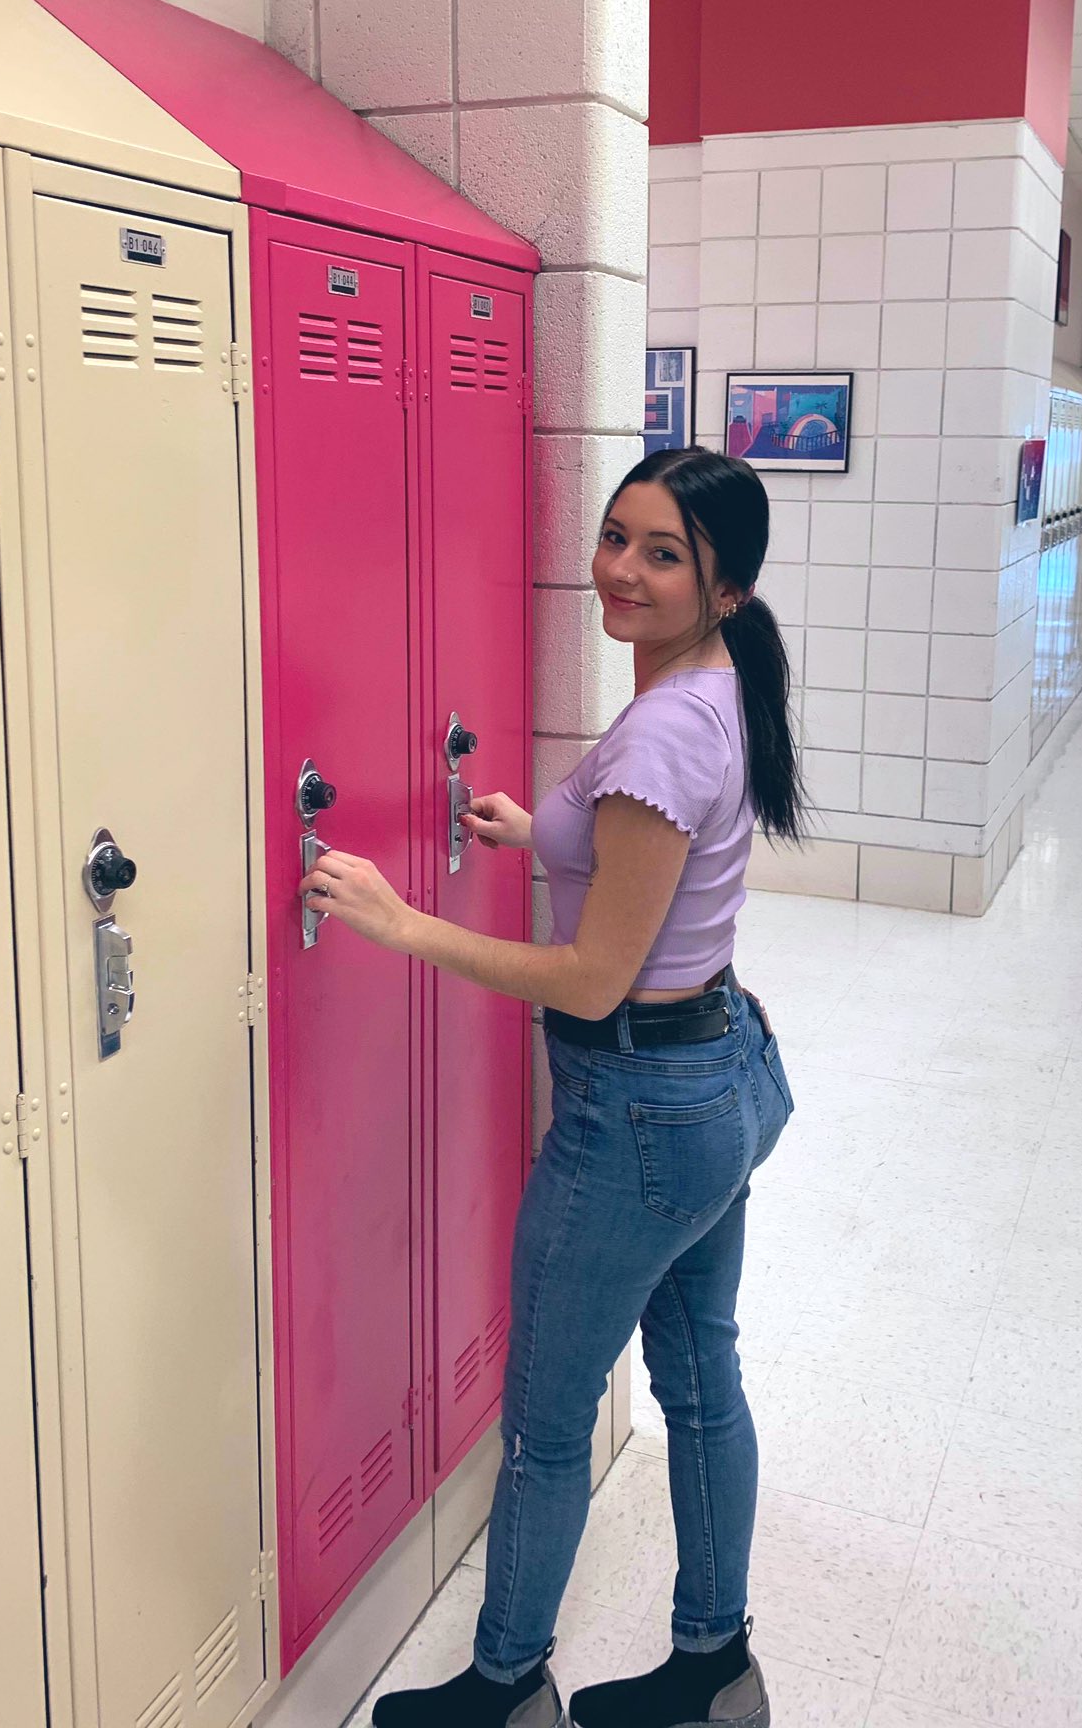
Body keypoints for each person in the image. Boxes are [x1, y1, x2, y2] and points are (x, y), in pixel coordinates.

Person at [301, 445, 802, 1728]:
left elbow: (591, 979)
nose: (620, 570)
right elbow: (654, 868)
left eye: (663, 553)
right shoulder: (711, 690)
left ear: (726, 587)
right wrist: (547, 832)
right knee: (701, 1381)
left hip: (639, 1114)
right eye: (615, 535)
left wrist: (403, 923)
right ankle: (713, 1670)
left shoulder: (667, 729)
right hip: (713, 1079)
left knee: (543, 1420)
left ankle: (505, 1686)